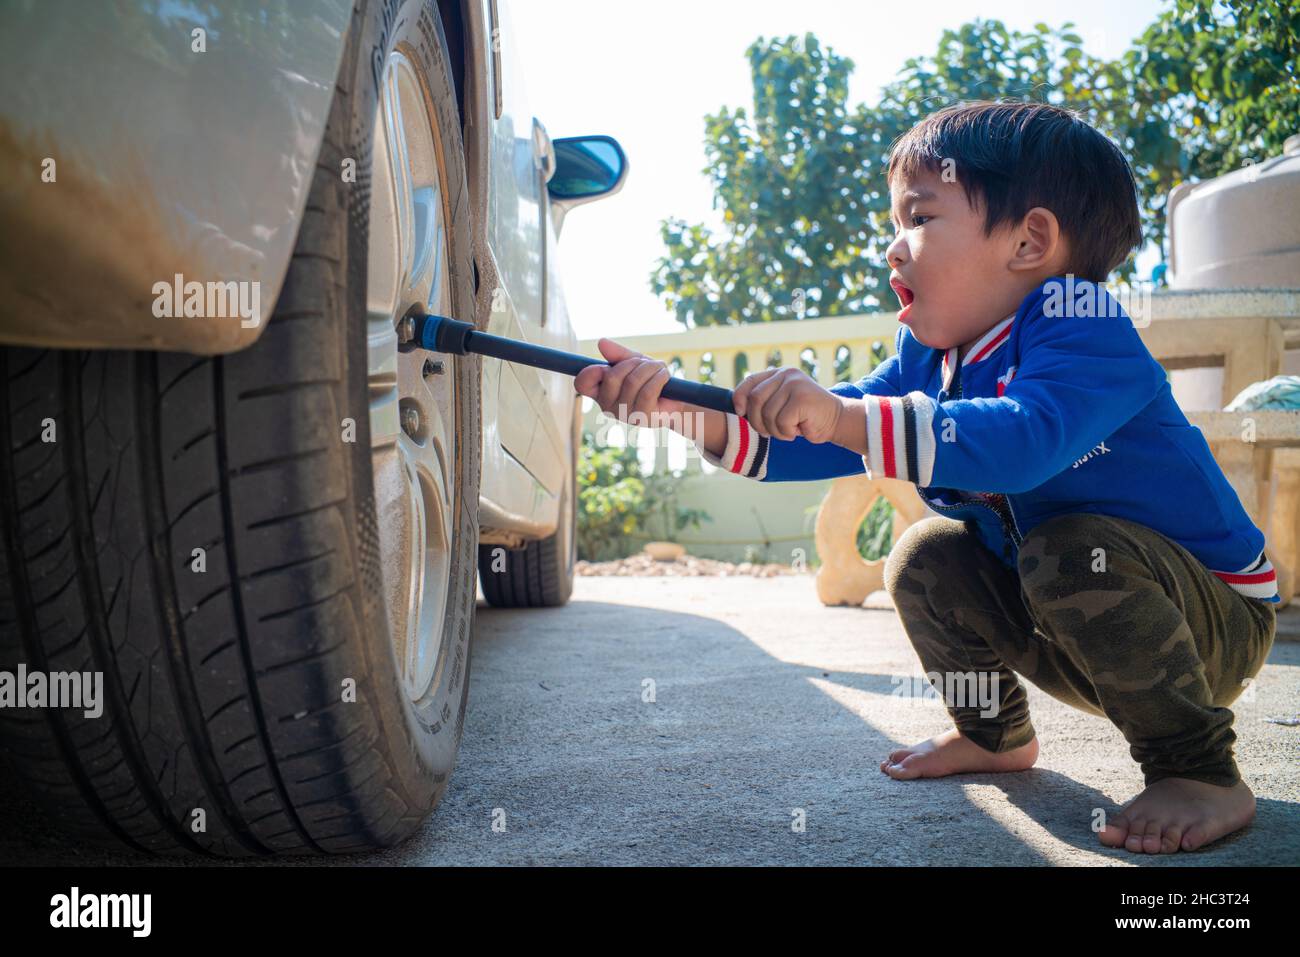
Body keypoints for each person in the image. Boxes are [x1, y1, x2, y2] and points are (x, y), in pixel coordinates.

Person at [574, 101, 1279, 855]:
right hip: (1075, 624)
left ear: (1029, 240)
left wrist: (844, 417)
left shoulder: (1082, 324)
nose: (893, 246)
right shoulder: (928, 357)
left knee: (1071, 547)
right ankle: (995, 731)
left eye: (918, 217)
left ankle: (1198, 769)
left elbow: (1028, 441)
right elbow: (814, 438)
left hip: (1209, 623)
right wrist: (680, 406)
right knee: (925, 556)